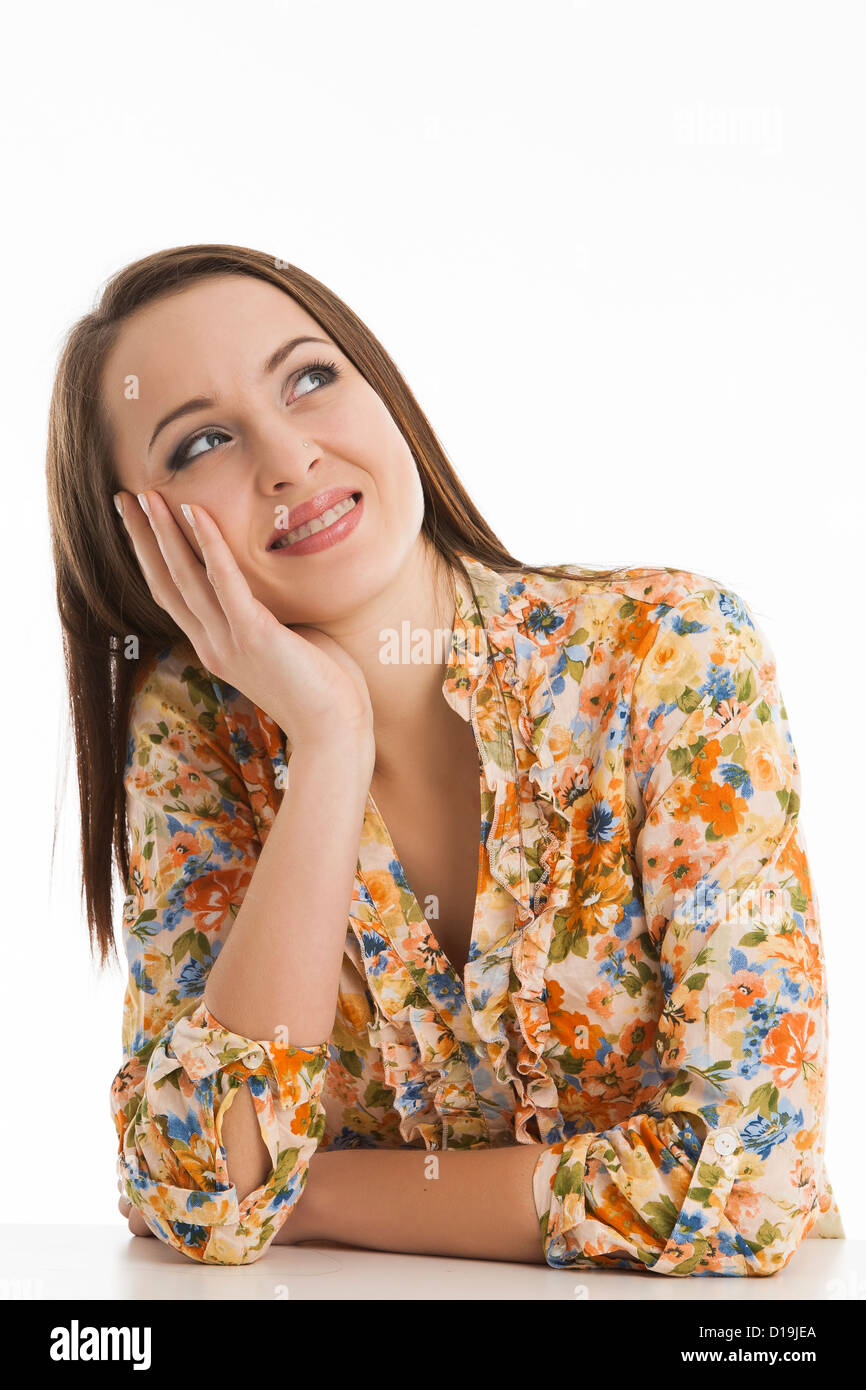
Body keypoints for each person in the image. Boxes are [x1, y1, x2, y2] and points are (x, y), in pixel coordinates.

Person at [46, 243, 844, 1273]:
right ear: (139, 545)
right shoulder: (193, 740)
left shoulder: (667, 654)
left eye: (309, 377)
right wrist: (330, 743)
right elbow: (200, 1184)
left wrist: (312, 1191)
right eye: (201, 441)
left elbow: (744, 1185)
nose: (287, 458)